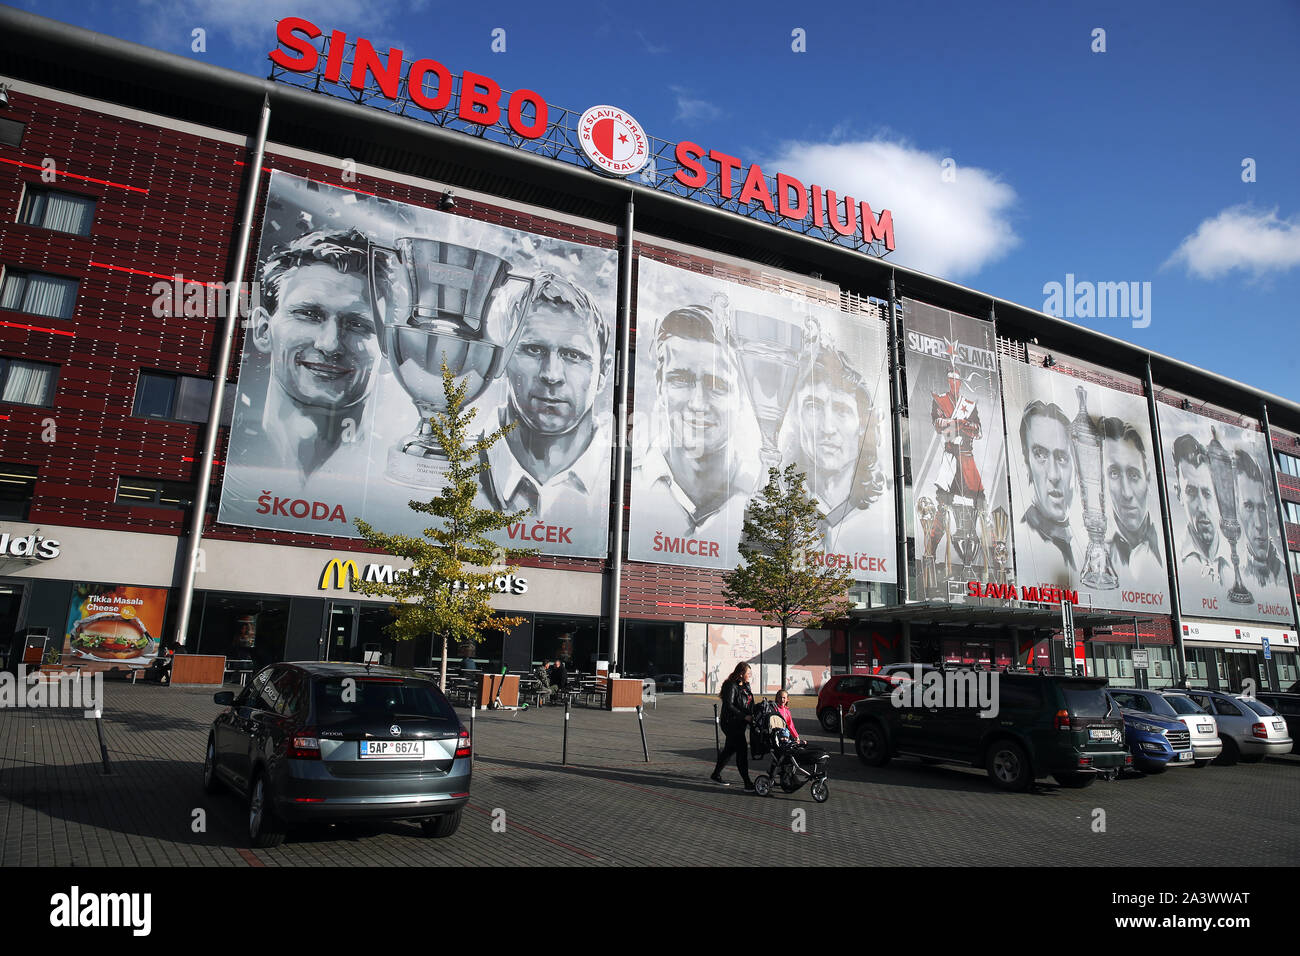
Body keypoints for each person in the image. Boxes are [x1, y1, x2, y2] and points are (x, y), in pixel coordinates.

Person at [478, 272, 612, 552]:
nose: (551, 375)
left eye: (573, 355)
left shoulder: (632, 486)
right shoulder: (448, 466)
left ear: (603, 373)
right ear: (501, 358)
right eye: (534, 349)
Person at [244, 228, 383, 480]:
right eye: (309, 314)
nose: (330, 344)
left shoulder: (402, 483)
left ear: (390, 348)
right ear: (264, 331)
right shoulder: (224, 459)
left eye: (358, 324)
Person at [635, 305, 760, 563]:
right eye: (680, 379)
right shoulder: (625, 485)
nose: (698, 403)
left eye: (717, 385)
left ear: (744, 399)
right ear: (660, 387)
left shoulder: (766, 499)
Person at [790, 345, 886, 555]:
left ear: (862, 425)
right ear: (796, 418)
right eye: (813, 407)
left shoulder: (882, 517)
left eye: (842, 410)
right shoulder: (773, 500)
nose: (827, 428)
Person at [1018, 400, 1077, 578]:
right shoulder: (1025, 542)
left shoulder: (1085, 544)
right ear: (1026, 463)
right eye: (1040, 455)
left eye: (1061, 457)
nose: (1054, 475)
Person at [1101, 417, 1162, 581]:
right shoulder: (1097, 557)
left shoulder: (1172, 549)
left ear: (1148, 479)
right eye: (1114, 474)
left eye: (1133, 475)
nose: (1126, 493)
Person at [1172, 434, 1229, 585]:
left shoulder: (1241, 565)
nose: (1201, 507)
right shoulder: (1173, 561)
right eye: (1191, 492)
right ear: (1179, 494)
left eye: (1206, 493)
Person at [1235, 449, 1285, 589]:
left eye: (1262, 508)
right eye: (1249, 507)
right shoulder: (1230, 574)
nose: (1259, 524)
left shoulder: (1288, 582)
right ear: (1236, 511)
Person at [711, 662, 755, 790]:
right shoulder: (730, 685)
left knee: (729, 749)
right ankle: (747, 782)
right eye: (748, 673)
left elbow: (750, 702)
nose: (750, 676)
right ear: (741, 673)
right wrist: (744, 716)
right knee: (742, 749)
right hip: (730, 723)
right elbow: (729, 706)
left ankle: (715, 775)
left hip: (740, 723)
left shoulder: (746, 685)